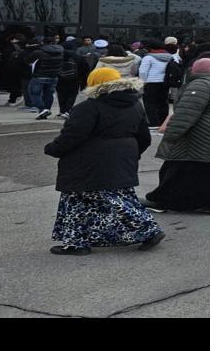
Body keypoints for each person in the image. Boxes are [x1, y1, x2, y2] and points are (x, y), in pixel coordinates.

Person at [42, 67, 164, 255]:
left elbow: (72, 136)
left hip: (89, 162)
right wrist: (131, 154)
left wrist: (53, 148)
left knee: (97, 199)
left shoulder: (89, 107)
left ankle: (148, 230)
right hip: (122, 157)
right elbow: (144, 137)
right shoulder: (135, 104)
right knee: (99, 198)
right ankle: (77, 242)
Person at [145, 57, 210, 214]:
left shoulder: (200, 84)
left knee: (178, 165)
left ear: (195, 70)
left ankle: (164, 199)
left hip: (207, 132)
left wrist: (172, 136)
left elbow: (186, 113)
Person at [137, 40, 177, 128]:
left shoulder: (148, 58)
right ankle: (163, 122)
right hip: (165, 83)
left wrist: (142, 82)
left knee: (150, 103)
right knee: (163, 102)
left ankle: (154, 122)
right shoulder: (170, 57)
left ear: (150, 48)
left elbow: (143, 72)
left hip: (151, 82)